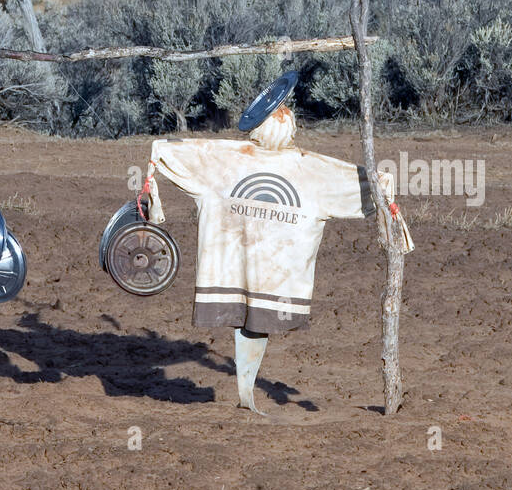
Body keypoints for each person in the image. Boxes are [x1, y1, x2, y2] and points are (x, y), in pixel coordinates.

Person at [145, 71, 413, 412]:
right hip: (263, 273)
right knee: (252, 321)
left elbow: (174, 153)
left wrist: (381, 187)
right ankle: (245, 393)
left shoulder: (242, 161)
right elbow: (364, 183)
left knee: (252, 322)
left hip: (247, 269)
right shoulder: (294, 166)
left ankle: (246, 393)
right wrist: (382, 185)